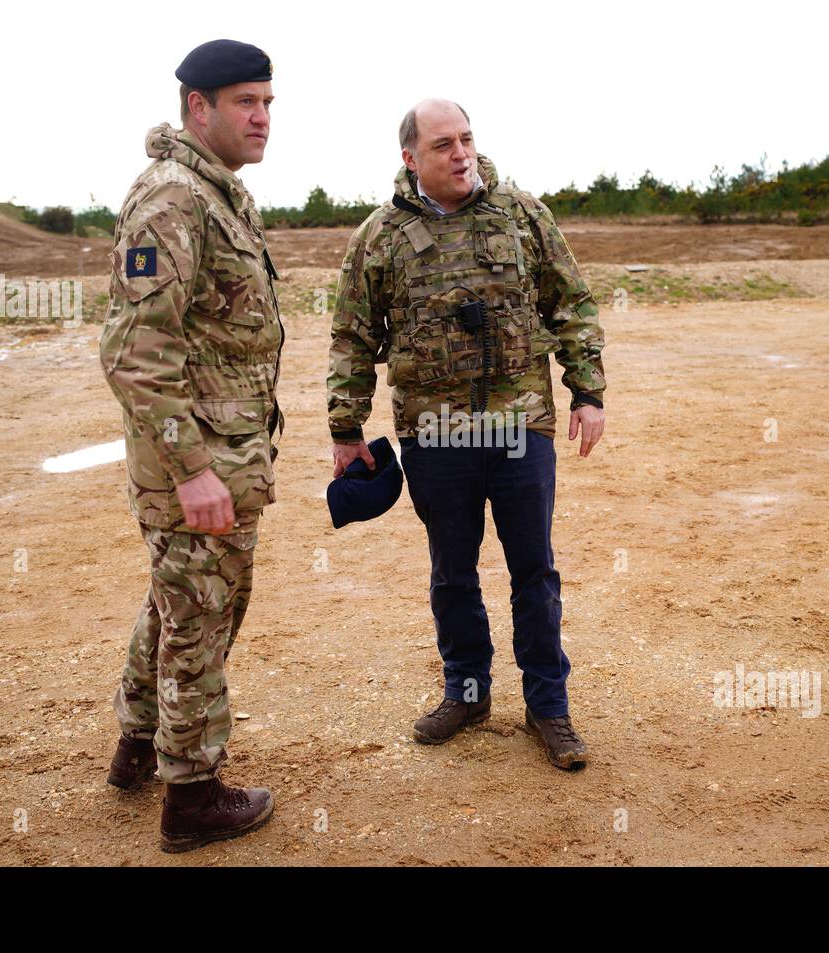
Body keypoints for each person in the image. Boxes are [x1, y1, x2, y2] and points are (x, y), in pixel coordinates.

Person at [326, 99, 607, 769]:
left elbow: (571, 301)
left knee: (532, 570)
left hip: (520, 424)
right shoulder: (381, 236)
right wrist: (345, 426)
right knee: (453, 571)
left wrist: (587, 391)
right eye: (444, 144)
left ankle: (549, 708)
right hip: (435, 433)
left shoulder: (521, 215)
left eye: (468, 139)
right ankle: (469, 693)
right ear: (411, 159)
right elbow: (352, 334)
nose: (462, 154)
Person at [99, 38, 283, 851]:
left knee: (176, 606)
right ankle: (194, 793)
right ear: (197, 107)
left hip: (227, 458)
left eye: (270, 102)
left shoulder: (222, 195)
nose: (263, 117)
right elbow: (136, 354)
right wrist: (195, 471)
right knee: (200, 617)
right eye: (247, 101)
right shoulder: (174, 200)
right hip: (198, 467)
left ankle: (138, 745)